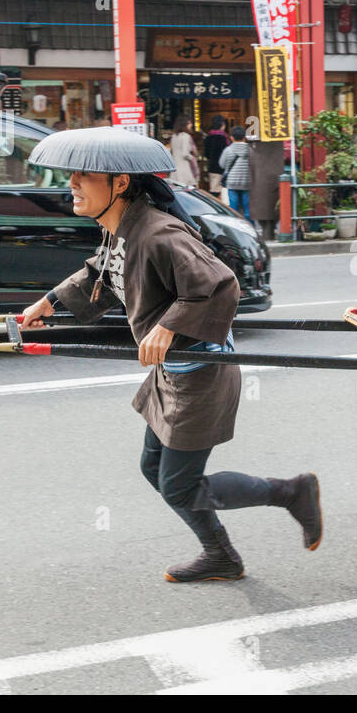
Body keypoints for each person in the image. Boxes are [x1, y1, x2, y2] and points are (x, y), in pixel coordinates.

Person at [20, 128, 322, 583]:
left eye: (84, 175)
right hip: (172, 371)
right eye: (72, 175)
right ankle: (221, 555)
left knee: (177, 484)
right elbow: (99, 273)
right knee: (154, 468)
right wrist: (50, 302)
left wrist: (166, 326)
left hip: (200, 374)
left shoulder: (159, 232)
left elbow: (220, 285)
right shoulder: (123, 228)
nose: (73, 183)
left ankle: (291, 493)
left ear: (119, 183)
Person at [219, 125, 252, 220]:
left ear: (231, 137)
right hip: (247, 182)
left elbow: (221, 164)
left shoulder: (228, 150)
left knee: (234, 209)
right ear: (245, 137)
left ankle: (236, 228)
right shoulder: (250, 150)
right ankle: (250, 227)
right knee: (247, 209)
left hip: (232, 183)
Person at [168, 115, 200, 189]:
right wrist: (193, 158)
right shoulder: (186, 136)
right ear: (185, 124)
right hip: (185, 170)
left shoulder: (174, 136)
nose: (191, 125)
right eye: (189, 123)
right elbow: (185, 154)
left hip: (175, 171)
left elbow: (172, 152)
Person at [203, 115, 229, 199]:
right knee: (219, 192)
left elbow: (206, 154)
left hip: (212, 168)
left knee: (214, 188)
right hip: (222, 169)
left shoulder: (208, 138)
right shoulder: (223, 138)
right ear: (222, 125)